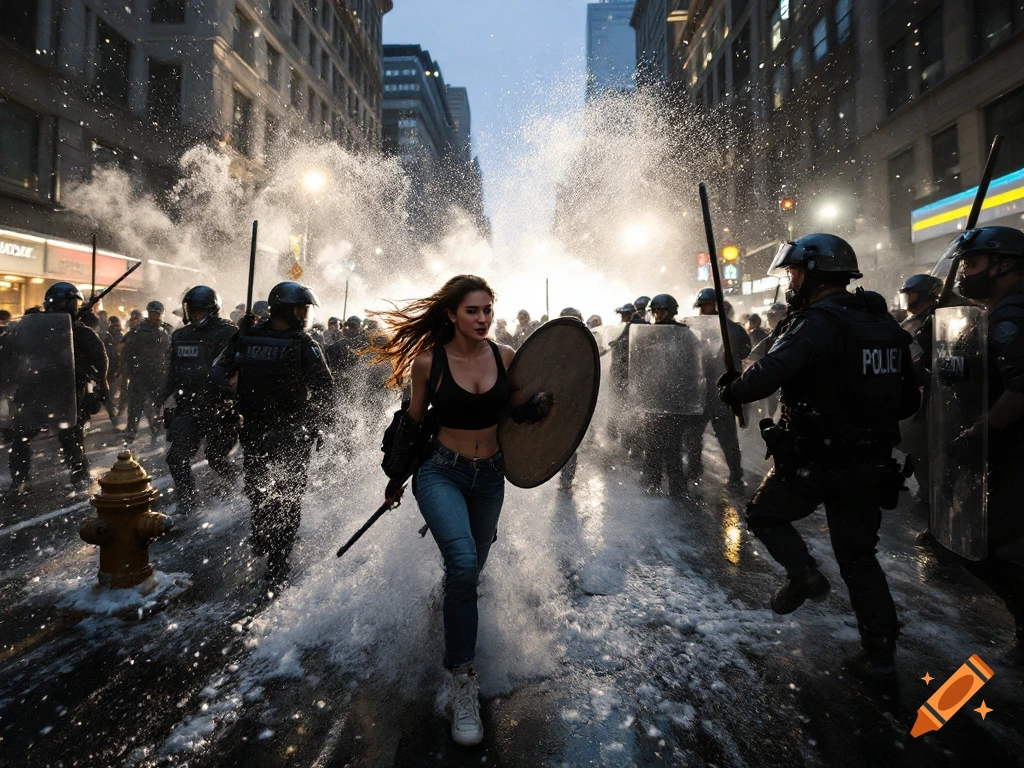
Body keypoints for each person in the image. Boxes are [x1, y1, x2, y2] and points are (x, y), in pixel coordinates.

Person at [718, 234, 919, 684]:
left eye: (793, 272)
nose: (790, 281)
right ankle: (880, 654)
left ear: (813, 272)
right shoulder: (882, 325)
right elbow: (908, 400)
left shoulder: (815, 323)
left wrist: (733, 389)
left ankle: (804, 575)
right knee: (859, 557)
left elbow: (765, 377)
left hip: (817, 458)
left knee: (764, 515)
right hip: (870, 461)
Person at [367, 275, 540, 747]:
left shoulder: (505, 357)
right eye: (472, 311)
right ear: (451, 315)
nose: (482, 319)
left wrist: (540, 407)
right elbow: (412, 422)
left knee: (469, 572)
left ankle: (447, 605)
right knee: (463, 564)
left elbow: (517, 410)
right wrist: (395, 478)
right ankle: (462, 685)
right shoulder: (429, 362)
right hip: (440, 473)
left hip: (490, 478)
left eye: (487, 310)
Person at [212, 282, 333, 584]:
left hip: (290, 431)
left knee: (287, 496)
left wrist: (317, 420)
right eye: (301, 309)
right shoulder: (250, 336)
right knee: (259, 489)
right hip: (258, 428)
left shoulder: (291, 341)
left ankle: (279, 559)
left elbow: (324, 389)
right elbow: (219, 370)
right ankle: (264, 532)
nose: (304, 315)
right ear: (286, 310)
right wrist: (227, 397)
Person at [942, 226, 1024, 659]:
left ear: (1004, 264)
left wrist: (981, 431)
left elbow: (1020, 388)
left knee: (983, 544)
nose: (964, 273)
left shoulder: (1012, 316)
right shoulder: (994, 313)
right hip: (1003, 452)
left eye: (971, 264)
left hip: (1012, 449)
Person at [2, 283, 108, 493]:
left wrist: (101, 383)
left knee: (68, 440)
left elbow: (99, 360)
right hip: (41, 393)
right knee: (25, 437)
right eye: (74, 304)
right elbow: (10, 354)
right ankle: (22, 479)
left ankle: (78, 476)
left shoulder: (76, 332)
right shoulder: (32, 330)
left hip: (64, 394)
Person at [160, 286, 240, 515]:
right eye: (192, 311)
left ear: (211, 310)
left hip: (220, 407)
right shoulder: (181, 336)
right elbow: (173, 371)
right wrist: (162, 397)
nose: (195, 315)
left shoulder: (229, 333)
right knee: (176, 458)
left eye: (200, 311)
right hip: (188, 406)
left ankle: (237, 485)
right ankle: (187, 502)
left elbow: (240, 367)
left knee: (216, 458)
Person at [638, 294, 701, 497]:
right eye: (654, 311)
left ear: (671, 311)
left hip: (675, 400)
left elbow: (693, 369)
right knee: (652, 445)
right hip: (653, 397)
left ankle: (677, 487)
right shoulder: (647, 334)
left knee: (672, 447)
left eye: (661, 310)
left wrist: (688, 396)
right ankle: (652, 483)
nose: (657, 314)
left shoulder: (684, 334)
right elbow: (639, 364)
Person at [688, 288, 750, 490]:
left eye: (705, 305)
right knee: (693, 435)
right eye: (701, 306)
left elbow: (744, 351)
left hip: (721, 391)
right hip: (699, 391)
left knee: (727, 437)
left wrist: (728, 341)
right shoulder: (694, 329)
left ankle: (736, 474)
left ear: (716, 305)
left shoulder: (731, 328)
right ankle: (694, 469)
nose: (702, 310)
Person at [896, 274, 942, 521]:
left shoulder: (935, 320)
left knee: (925, 451)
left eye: (912, 294)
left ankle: (932, 502)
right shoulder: (913, 322)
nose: (908, 300)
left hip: (930, 395)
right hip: (914, 393)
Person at [119, 300, 172, 444]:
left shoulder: (167, 330)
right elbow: (126, 351)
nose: (155, 316)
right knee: (135, 405)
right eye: (152, 313)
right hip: (140, 373)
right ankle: (131, 432)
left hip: (159, 375)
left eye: (157, 313)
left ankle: (156, 429)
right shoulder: (138, 330)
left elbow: (171, 351)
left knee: (158, 405)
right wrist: (128, 370)